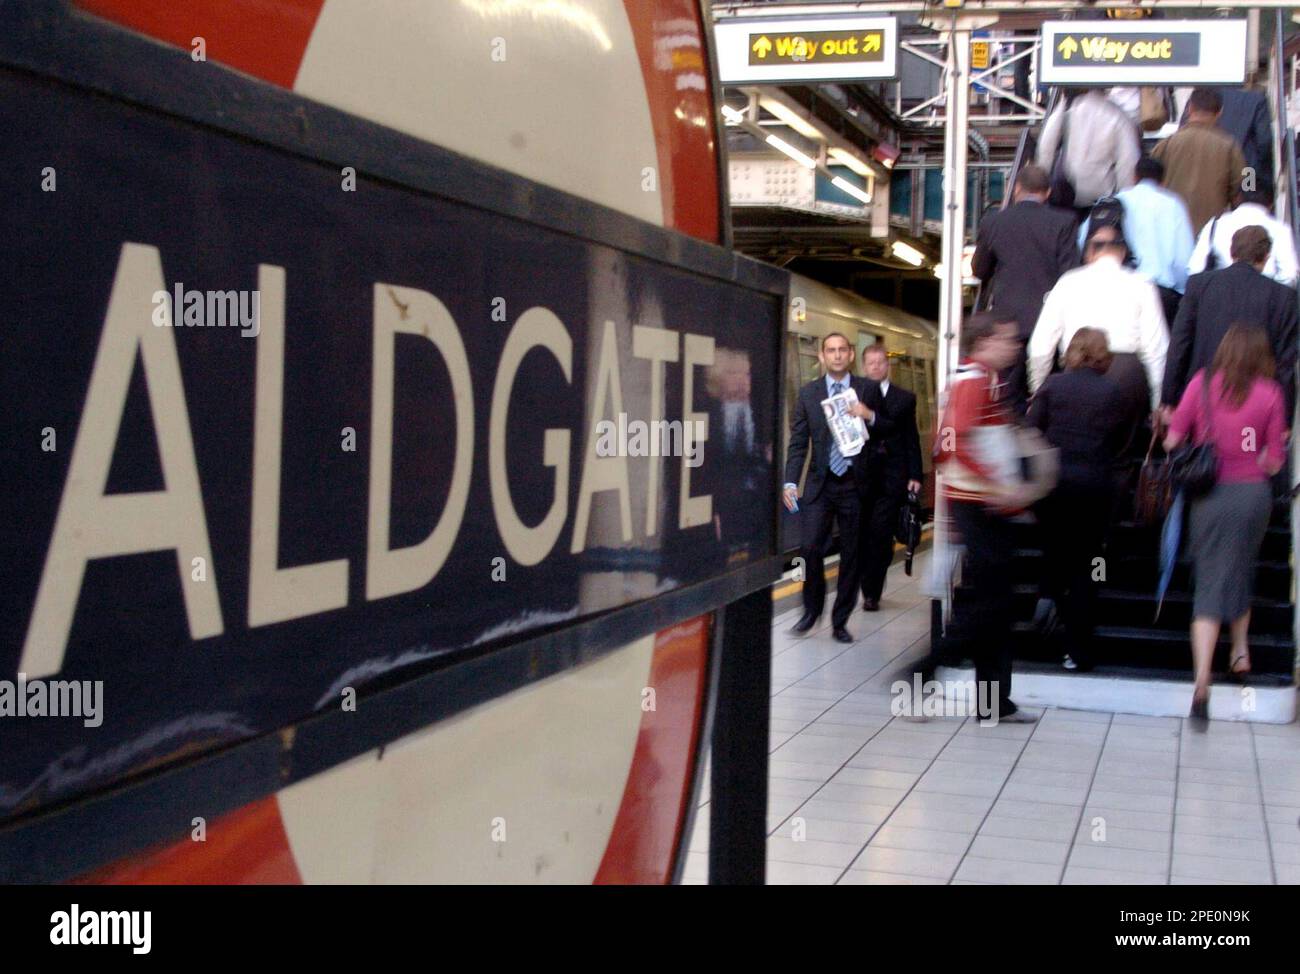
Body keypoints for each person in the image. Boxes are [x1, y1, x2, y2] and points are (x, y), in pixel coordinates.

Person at [1163, 325, 1288, 726]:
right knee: (1239, 566)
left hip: (1208, 497)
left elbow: (1172, 441)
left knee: (1209, 579)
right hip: (1252, 496)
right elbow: (1273, 459)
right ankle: (1239, 650)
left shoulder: (1201, 384)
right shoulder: (1271, 393)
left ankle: (1202, 682)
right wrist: (1252, 458)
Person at [933, 312, 1040, 724]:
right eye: (1007, 339)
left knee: (993, 605)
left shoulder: (979, 381)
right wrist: (998, 486)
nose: (1014, 347)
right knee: (992, 605)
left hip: (981, 507)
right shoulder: (975, 382)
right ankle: (926, 669)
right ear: (985, 341)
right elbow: (953, 444)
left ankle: (994, 701)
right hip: (982, 508)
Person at [1027, 329, 1128, 672]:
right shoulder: (1113, 392)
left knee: (1055, 552)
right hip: (1097, 492)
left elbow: (1032, 430)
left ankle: (1047, 596)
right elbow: (1122, 439)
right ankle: (1077, 650)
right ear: (1103, 355)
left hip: (1054, 489)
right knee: (1092, 567)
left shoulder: (1053, 385)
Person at [782, 333, 890, 643]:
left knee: (852, 554)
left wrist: (868, 416)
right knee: (810, 547)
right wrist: (791, 480)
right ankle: (811, 609)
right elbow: (799, 443)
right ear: (821, 357)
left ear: (851, 355)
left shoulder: (867, 389)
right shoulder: (808, 394)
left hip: (856, 485)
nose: (837, 355)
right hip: (821, 483)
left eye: (843, 350)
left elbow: (888, 428)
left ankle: (840, 620)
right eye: (831, 351)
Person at [1028, 222, 1169, 459]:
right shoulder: (1142, 284)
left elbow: (1040, 346)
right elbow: (1157, 350)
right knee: (1121, 456)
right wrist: (1157, 404)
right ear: (1122, 253)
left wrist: (1038, 388)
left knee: (1071, 447)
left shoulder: (1068, 282)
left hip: (1075, 371)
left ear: (1089, 252)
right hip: (1126, 374)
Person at [971, 162, 1079, 415]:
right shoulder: (1064, 221)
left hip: (1006, 325)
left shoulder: (994, 222)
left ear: (1015, 188)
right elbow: (1070, 273)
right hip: (1047, 323)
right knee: (1045, 394)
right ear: (1048, 192)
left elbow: (979, 269)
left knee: (1006, 397)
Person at [1162, 225, 1298, 416]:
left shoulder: (1198, 286)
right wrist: (1285, 418)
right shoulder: (1284, 297)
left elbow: (1179, 345)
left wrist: (1169, 399)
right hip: (1256, 407)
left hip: (1203, 399)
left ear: (1231, 252)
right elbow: (1285, 365)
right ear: (1266, 257)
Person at [1077, 156, 1195, 326]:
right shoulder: (1173, 204)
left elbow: (1084, 241)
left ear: (1134, 177)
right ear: (1163, 181)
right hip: (1159, 292)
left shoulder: (1111, 202)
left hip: (1114, 288)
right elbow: (1183, 260)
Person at [856, 344, 923, 612]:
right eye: (870, 363)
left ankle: (872, 592)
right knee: (861, 533)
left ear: (888, 365)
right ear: (863, 366)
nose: (875, 367)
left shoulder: (904, 398)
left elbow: (911, 438)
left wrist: (915, 473)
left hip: (892, 476)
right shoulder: (853, 396)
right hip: (860, 475)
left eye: (880, 362)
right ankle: (865, 583)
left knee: (881, 533)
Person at [1152, 87, 1248, 236]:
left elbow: (1148, 182)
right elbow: (1245, 184)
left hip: (1171, 229)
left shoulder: (1166, 144)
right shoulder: (1230, 145)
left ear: (1190, 108)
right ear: (1220, 112)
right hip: (1211, 232)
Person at [1036, 88, 1140, 210]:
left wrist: (1044, 183)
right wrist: (1124, 198)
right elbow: (1127, 163)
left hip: (1064, 193)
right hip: (1100, 198)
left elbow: (1045, 149)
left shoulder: (1064, 110)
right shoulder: (1118, 116)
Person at [1179, 80, 1274, 201]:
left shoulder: (1199, 101)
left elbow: (1184, 132)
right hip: (1247, 172)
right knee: (1248, 210)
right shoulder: (1256, 99)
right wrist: (1264, 180)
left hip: (1207, 175)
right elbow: (1265, 142)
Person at [1186, 189, 1299, 287]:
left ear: (1237, 198)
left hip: (1222, 297)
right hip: (1264, 302)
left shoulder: (1215, 224)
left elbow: (1195, 269)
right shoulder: (1280, 229)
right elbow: (1289, 275)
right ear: (1271, 202)